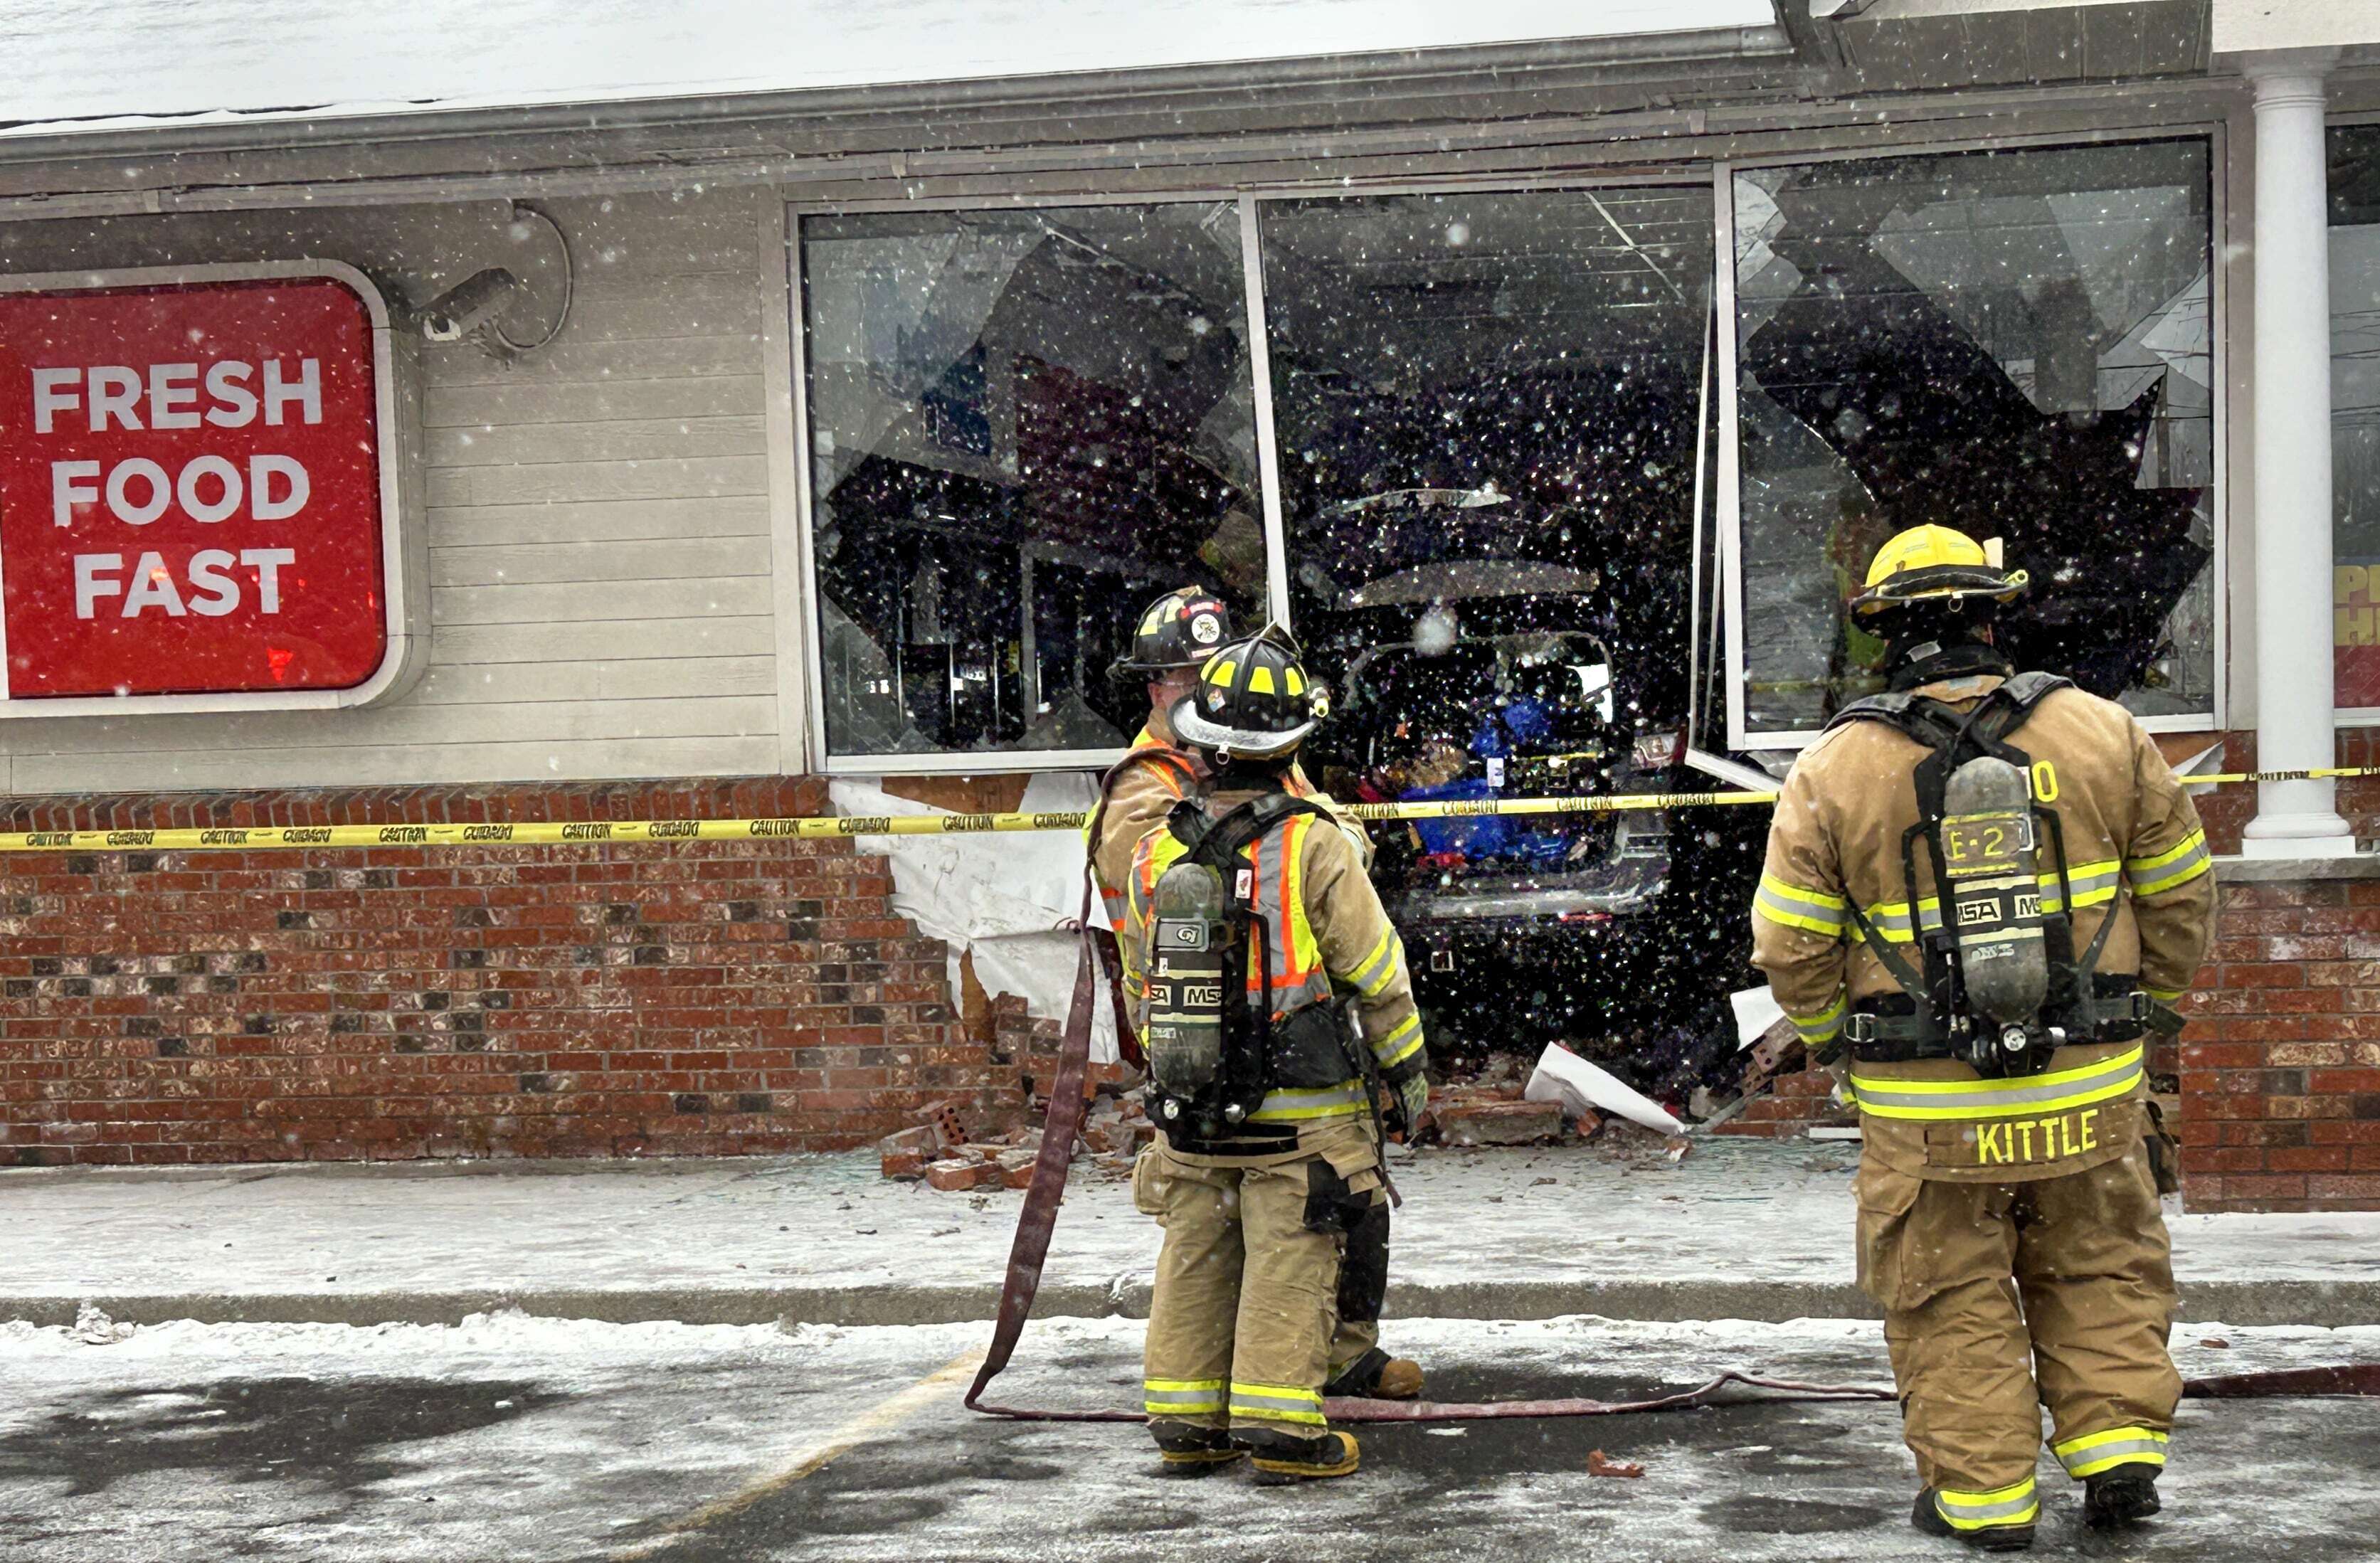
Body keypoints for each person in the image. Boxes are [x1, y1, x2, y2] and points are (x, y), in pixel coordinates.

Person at [1750, 526, 2215, 1551]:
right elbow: (2182, 891)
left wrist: (1843, 1048)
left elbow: (1788, 946)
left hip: (1928, 1114)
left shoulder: (1833, 766)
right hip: (2089, 1090)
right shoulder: (2101, 730)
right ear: (1993, 616)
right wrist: (2146, 1013)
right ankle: (2118, 1449)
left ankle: (1985, 1502)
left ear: (1879, 635)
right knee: (2099, 1264)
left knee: (1949, 1296)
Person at [1091, 587, 1420, 1404]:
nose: (1203, 682)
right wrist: (1408, 1066)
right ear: (1154, 687)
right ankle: (1279, 1402)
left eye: (1210, 669)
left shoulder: (1236, 778)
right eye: (1184, 674)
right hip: (1257, 1064)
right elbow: (1370, 963)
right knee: (1289, 1233)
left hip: (1255, 1050)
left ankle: (1233, 1396)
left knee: (1297, 1222)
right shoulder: (1149, 790)